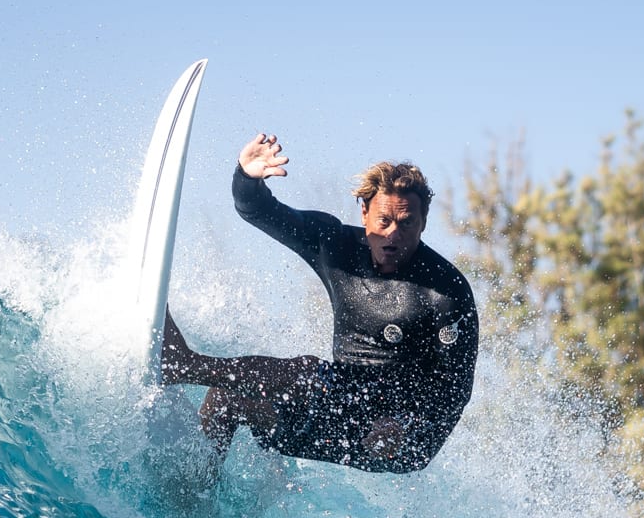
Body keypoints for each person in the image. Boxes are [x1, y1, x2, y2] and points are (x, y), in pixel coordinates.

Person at [160, 133, 478, 474]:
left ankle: (181, 366)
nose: (393, 235)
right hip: (335, 407)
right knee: (227, 400)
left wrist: (406, 426)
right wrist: (248, 177)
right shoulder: (335, 243)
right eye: (384, 221)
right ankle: (196, 491)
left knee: (307, 373)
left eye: (407, 223)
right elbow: (259, 211)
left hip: (399, 437)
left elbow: (454, 391)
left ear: (423, 222)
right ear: (365, 212)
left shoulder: (446, 290)